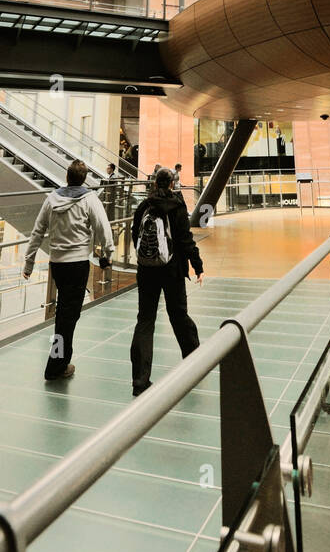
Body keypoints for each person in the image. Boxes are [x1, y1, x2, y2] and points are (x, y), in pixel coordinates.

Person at [23, 159, 114, 381]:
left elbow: (37, 231)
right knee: (68, 317)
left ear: (67, 177)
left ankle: (59, 361)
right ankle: (56, 366)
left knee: (65, 315)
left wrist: (29, 262)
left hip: (57, 264)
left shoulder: (51, 199)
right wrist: (108, 253)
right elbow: (103, 228)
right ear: (84, 179)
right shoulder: (90, 199)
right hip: (78, 264)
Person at [129, 166, 203, 397]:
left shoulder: (144, 206)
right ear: (172, 184)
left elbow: (135, 234)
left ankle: (140, 380)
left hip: (146, 270)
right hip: (172, 270)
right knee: (178, 315)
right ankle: (194, 364)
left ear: (154, 183)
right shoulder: (178, 207)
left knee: (145, 320)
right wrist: (197, 265)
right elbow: (185, 240)